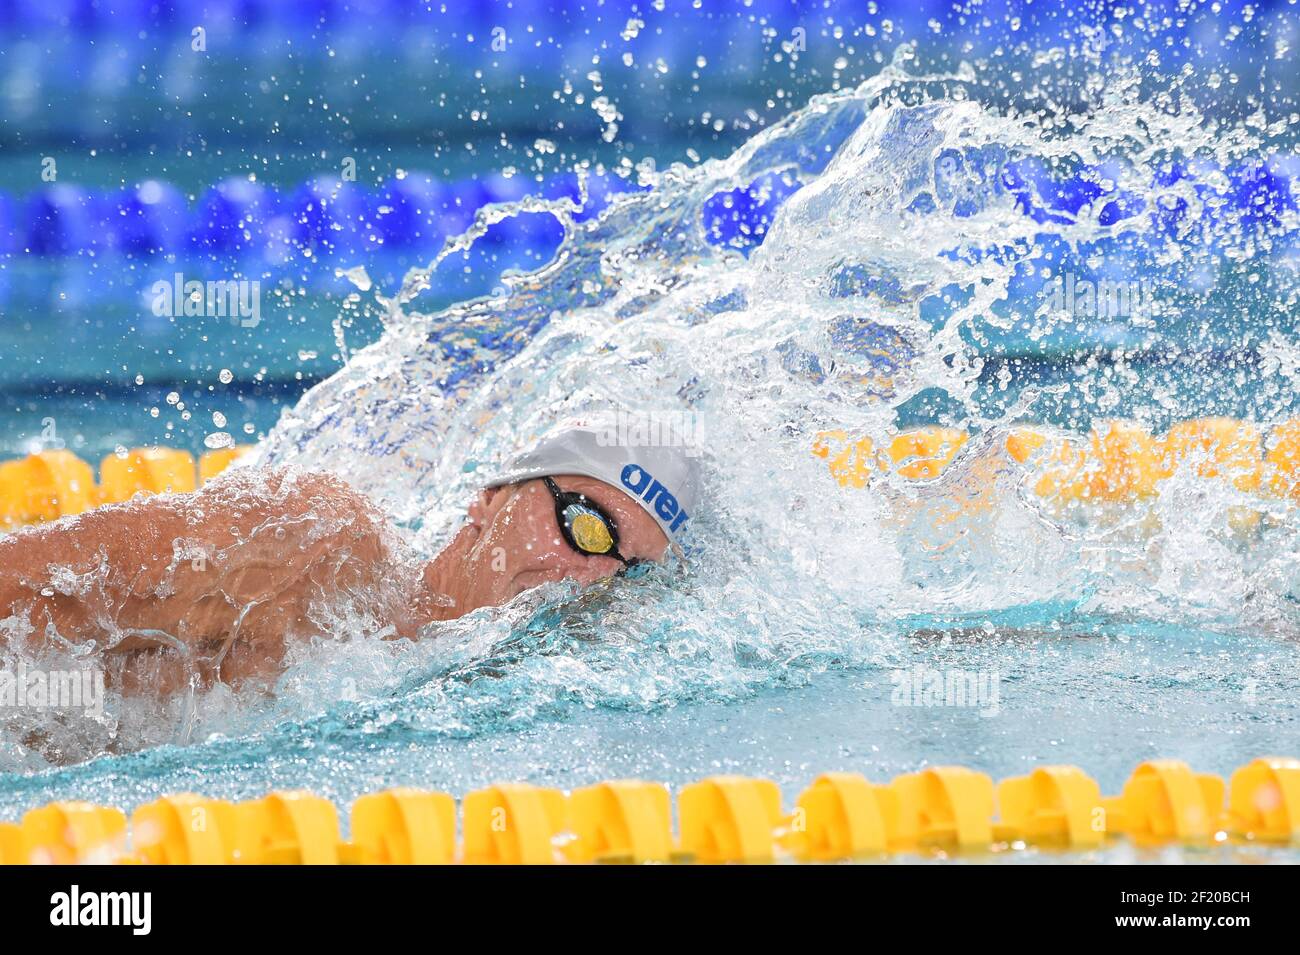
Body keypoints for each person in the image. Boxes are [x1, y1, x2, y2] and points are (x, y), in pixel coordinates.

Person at [0, 416, 701, 692]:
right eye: (587, 525)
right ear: (491, 499)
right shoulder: (313, 547)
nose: (590, 577)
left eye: (626, 569)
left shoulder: (490, 699)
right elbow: (26, 579)